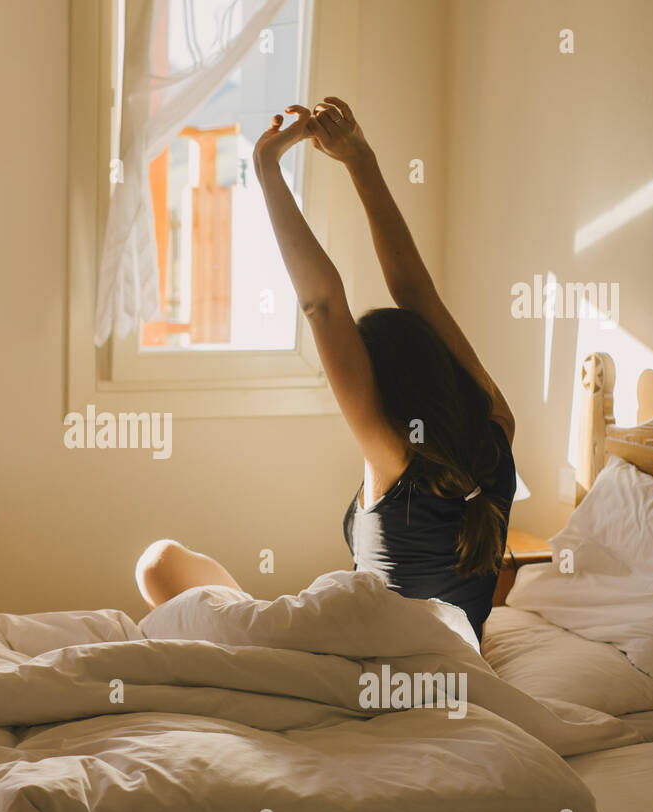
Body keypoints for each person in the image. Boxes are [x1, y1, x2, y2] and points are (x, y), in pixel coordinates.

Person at [136, 97, 516, 642]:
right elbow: (414, 291)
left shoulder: (392, 456)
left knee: (156, 564)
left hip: (368, 664)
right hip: (450, 658)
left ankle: (243, 619)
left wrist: (267, 167)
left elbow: (324, 304)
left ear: (383, 389)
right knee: (174, 573)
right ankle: (243, 613)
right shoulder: (497, 432)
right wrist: (360, 160)